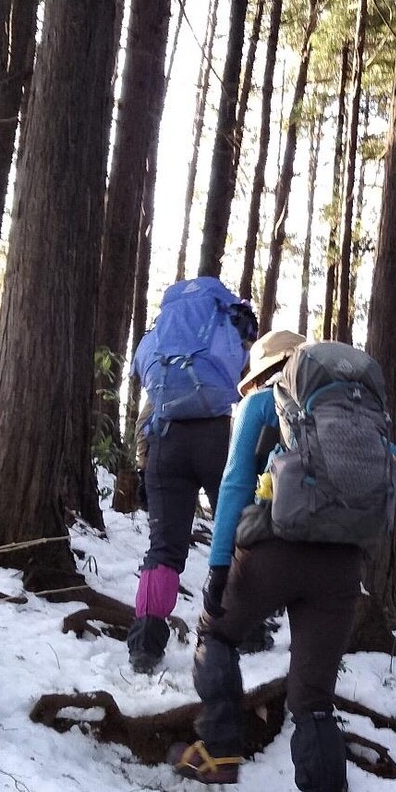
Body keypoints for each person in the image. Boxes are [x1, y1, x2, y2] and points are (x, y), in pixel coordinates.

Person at [168, 329, 368, 792]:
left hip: (275, 549)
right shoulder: (351, 407)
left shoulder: (261, 401)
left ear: (261, 373)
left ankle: (219, 746)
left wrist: (216, 569)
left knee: (218, 632)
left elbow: (234, 484)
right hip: (342, 563)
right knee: (314, 700)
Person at [126, 280, 258, 677]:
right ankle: (244, 629)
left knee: (163, 549)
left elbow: (140, 372)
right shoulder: (229, 317)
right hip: (215, 437)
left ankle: (145, 644)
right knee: (236, 535)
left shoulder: (162, 332)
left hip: (165, 438)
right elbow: (245, 358)